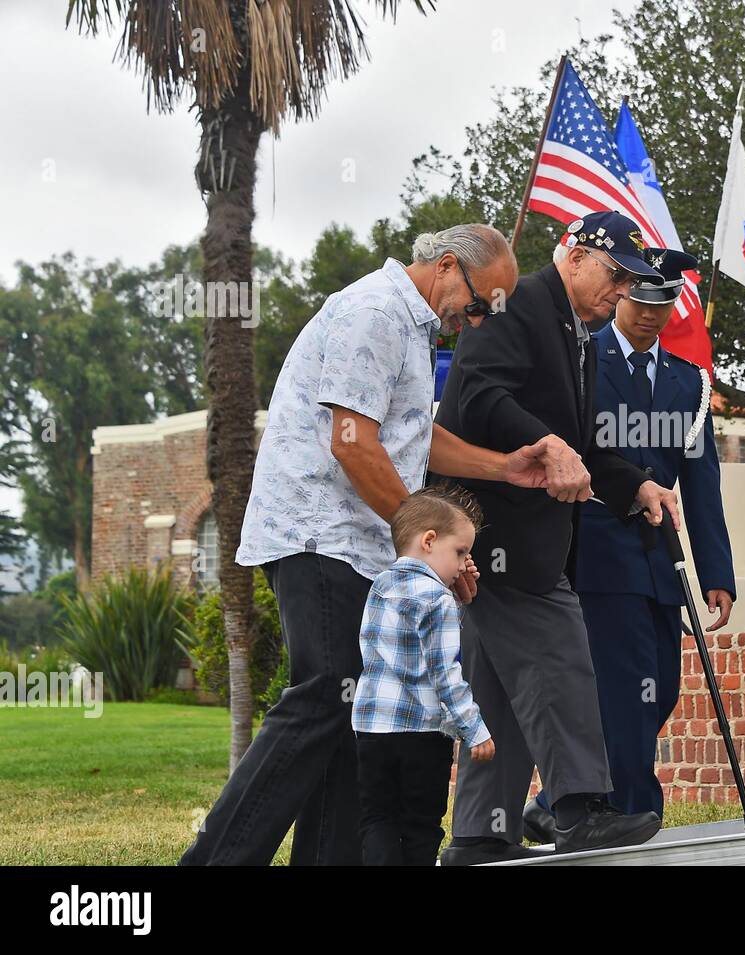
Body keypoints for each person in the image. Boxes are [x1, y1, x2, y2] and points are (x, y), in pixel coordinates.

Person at [180, 225, 570, 866]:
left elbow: (415, 441)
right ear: (447, 267)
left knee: (348, 714)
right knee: (324, 696)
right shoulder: (375, 311)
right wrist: (425, 550)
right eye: (478, 306)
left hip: (360, 548)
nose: (477, 324)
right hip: (319, 536)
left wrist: (505, 466)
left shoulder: (411, 328)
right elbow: (353, 441)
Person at [432, 211, 682, 865]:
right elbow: (477, 399)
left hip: (513, 541)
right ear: (573, 255)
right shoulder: (514, 308)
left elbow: (586, 442)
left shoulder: (576, 334)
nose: (623, 290)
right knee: (560, 653)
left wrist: (634, 485)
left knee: (501, 690)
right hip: (495, 533)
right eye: (616, 273)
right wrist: (543, 447)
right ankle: (579, 809)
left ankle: (481, 833)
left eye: (631, 281)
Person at [523, 248, 736, 842]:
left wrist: (716, 570)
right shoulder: (584, 359)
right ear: (621, 296)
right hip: (595, 546)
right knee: (621, 688)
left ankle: (556, 801)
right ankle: (629, 810)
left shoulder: (689, 382)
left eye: (662, 302)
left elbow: (701, 482)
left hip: (659, 557)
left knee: (659, 686)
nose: (650, 312)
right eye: (641, 298)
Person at [352, 484, 494, 865]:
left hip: (371, 729)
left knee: (377, 818)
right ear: (429, 541)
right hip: (422, 734)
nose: (465, 564)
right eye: (460, 552)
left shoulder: (379, 585)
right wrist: (474, 729)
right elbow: (444, 673)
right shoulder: (437, 599)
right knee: (420, 824)